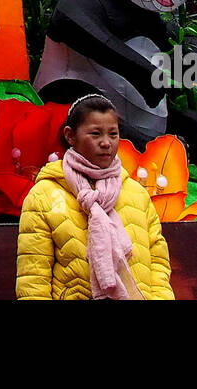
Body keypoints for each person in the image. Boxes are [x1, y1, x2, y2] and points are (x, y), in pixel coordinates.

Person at [16, 93, 173, 299]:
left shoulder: (136, 193)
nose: (106, 143)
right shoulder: (44, 195)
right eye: (96, 134)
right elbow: (33, 280)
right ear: (70, 136)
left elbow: (158, 264)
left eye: (113, 134)